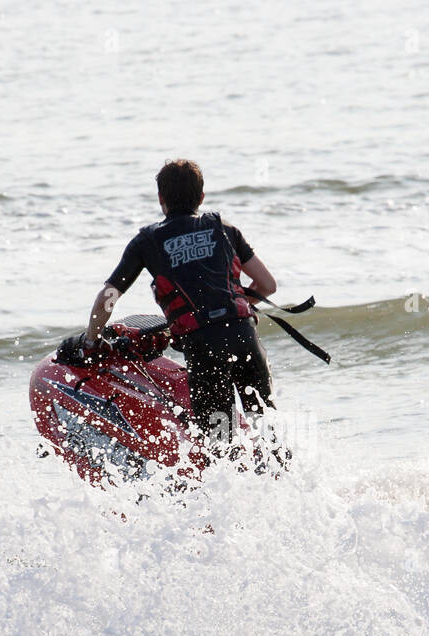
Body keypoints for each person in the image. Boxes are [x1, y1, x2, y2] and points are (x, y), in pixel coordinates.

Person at [78, 159, 279, 449]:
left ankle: (229, 490)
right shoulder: (224, 227)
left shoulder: (147, 241)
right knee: (265, 429)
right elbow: (267, 285)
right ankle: (284, 483)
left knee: (220, 440)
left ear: (161, 199)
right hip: (244, 337)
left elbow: (108, 297)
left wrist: (92, 339)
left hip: (205, 348)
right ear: (201, 197)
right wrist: (235, 302)